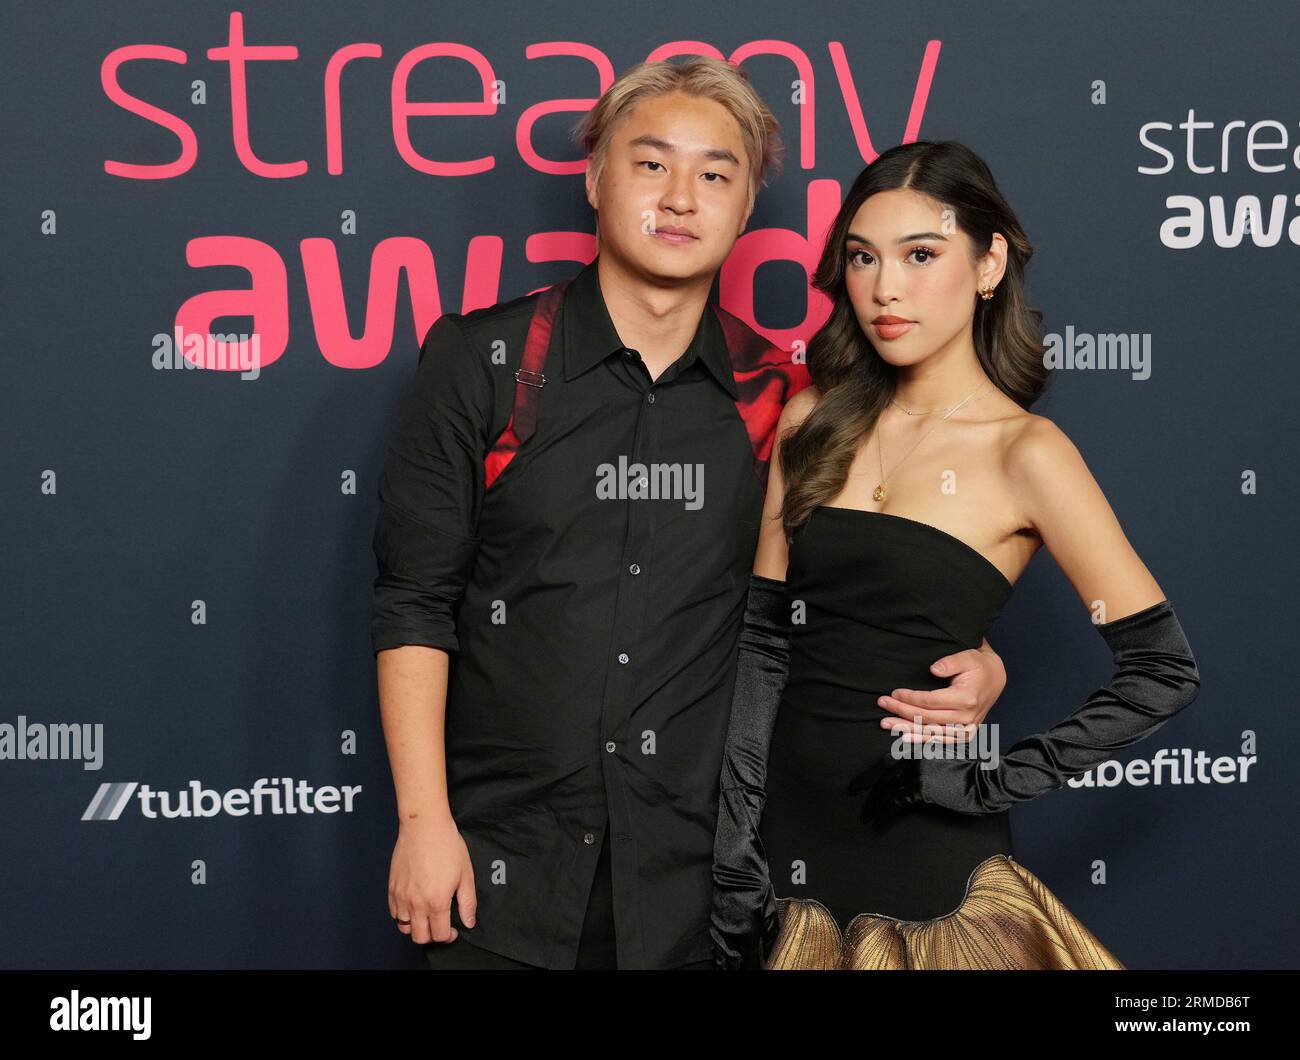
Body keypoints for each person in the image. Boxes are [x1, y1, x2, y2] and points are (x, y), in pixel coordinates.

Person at [371, 62, 1011, 971]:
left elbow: (858, 591)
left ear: (748, 207)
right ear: (595, 178)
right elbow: (414, 601)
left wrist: (979, 659)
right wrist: (423, 823)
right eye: (651, 165)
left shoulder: (783, 402)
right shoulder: (485, 362)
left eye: (716, 174)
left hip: (698, 891)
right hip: (497, 873)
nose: (681, 199)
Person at [710, 140, 1200, 971]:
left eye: (921, 255)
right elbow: (763, 645)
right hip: (780, 847)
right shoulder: (811, 420)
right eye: (862, 258)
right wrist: (732, 844)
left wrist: (990, 782)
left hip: (923, 858)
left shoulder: (1027, 452)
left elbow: (1163, 670)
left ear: (988, 264)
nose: (885, 289)